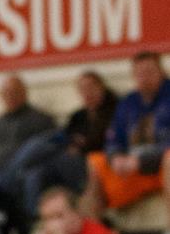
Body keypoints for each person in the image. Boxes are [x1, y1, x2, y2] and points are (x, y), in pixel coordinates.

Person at [8, 69, 118, 218]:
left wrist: (77, 144)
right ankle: (35, 219)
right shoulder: (79, 116)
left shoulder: (114, 111)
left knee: (43, 148)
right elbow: (66, 136)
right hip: (63, 161)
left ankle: (9, 177)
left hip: (89, 166)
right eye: (82, 89)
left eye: (91, 87)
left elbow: (101, 142)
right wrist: (73, 142)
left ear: (101, 87)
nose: (87, 92)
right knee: (35, 172)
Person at [85, 51, 170, 223]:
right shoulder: (128, 103)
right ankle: (98, 230)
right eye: (139, 73)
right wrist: (116, 156)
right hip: (131, 168)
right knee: (95, 161)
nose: (144, 77)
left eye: (149, 71)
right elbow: (113, 138)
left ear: (161, 71)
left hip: (160, 166)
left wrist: (142, 161)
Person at [0, 75, 57, 188]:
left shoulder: (41, 119)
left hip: (30, 169)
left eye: (14, 92)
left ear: (24, 93)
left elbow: (50, 149)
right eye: (6, 93)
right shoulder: (0, 123)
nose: (10, 96)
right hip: (2, 169)